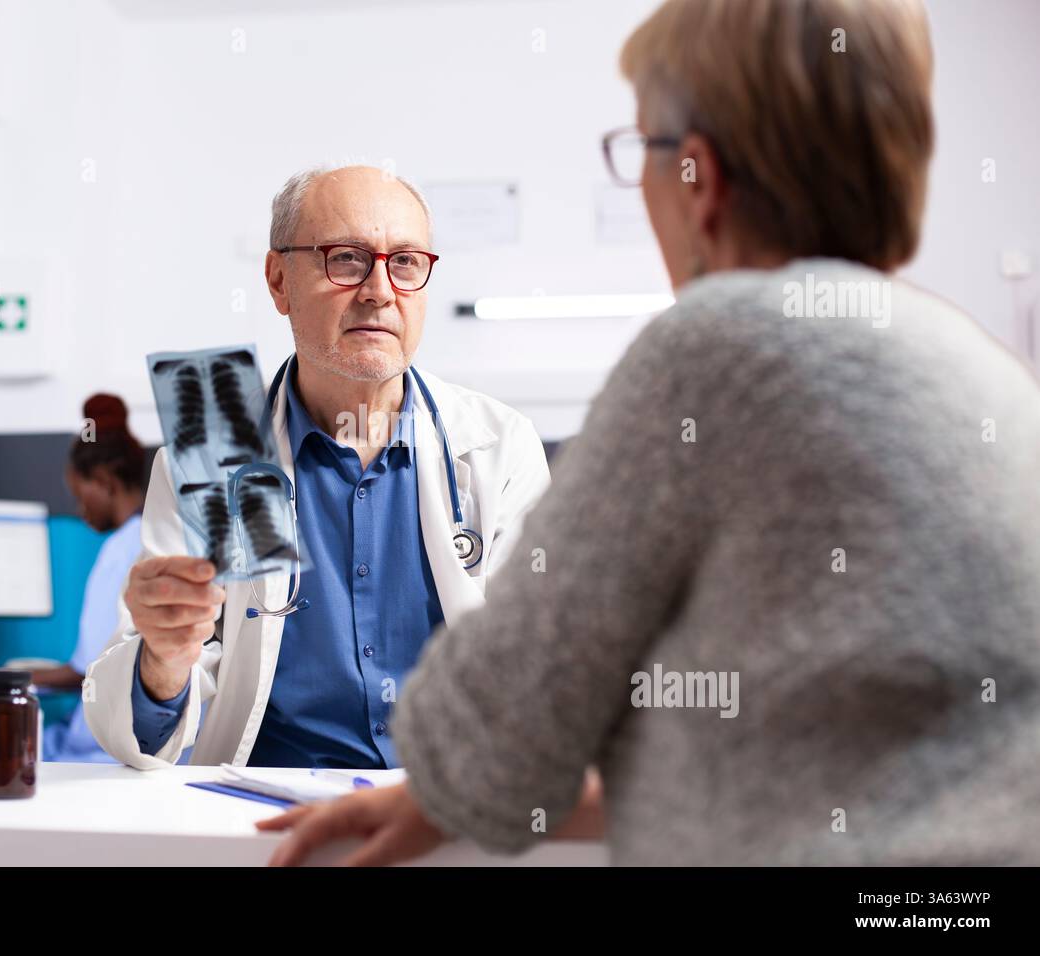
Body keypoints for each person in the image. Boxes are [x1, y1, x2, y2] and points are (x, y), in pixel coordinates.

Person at [259, 0, 1040, 865]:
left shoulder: (715, 351)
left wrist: (460, 778)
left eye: (643, 153)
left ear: (699, 179)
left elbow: (498, 734)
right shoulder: (988, 374)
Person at [84, 166, 552, 768]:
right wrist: (164, 657)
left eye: (405, 262)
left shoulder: (496, 446)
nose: (380, 290)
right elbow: (138, 733)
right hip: (268, 823)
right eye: (347, 259)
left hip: (444, 816)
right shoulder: (217, 454)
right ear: (279, 281)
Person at [37, 394, 146, 763]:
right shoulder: (157, 534)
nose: (78, 507)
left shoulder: (120, 551)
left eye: (79, 493)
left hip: (105, 750)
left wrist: (14, 677)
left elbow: (91, 669)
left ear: (103, 481)